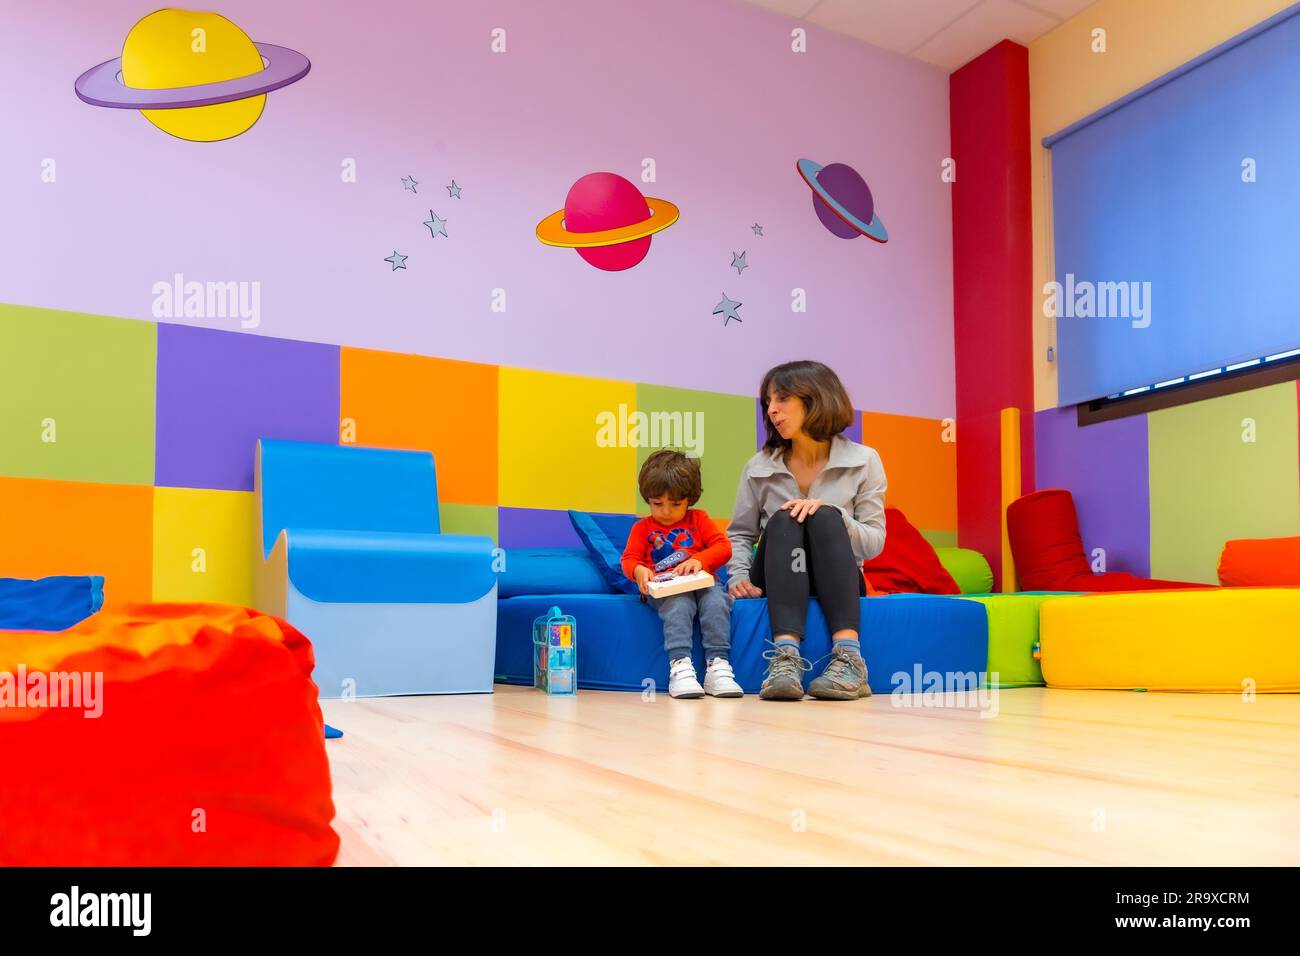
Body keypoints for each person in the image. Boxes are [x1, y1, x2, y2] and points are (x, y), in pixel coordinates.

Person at [726, 361, 887, 701]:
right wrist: (738, 575)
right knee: (785, 519)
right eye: (767, 401)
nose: (772, 409)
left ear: (815, 399)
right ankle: (785, 660)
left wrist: (837, 515)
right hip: (779, 572)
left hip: (839, 574)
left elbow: (874, 543)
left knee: (827, 516)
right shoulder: (758, 466)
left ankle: (850, 660)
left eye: (782, 398)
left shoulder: (865, 460)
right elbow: (740, 534)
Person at [621, 450, 742, 699]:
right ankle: (680, 666)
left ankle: (718, 666)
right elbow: (629, 559)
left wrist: (700, 559)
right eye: (657, 503)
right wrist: (639, 570)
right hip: (666, 590)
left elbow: (723, 547)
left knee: (717, 601)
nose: (666, 511)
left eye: (675, 504)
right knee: (680, 604)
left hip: (703, 585)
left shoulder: (698, 519)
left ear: (689, 499)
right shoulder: (641, 528)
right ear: (648, 499)